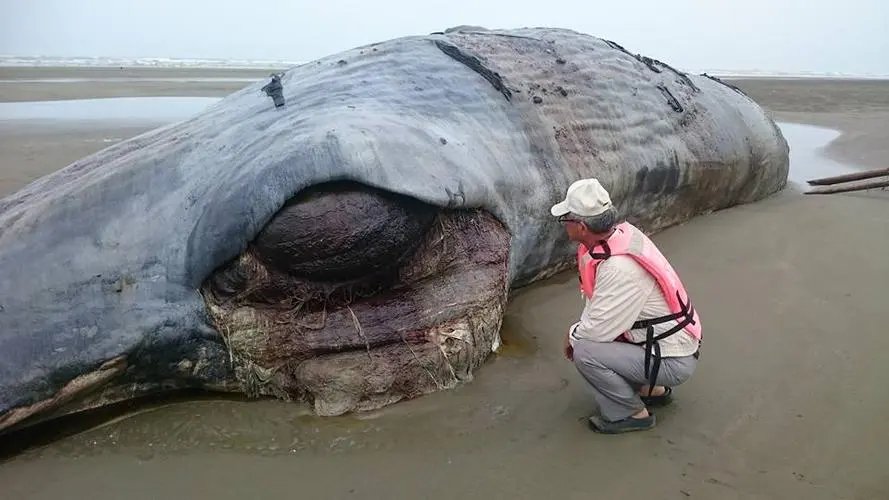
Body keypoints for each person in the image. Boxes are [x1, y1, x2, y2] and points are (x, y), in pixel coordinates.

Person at [550, 178, 702, 434]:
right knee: (590, 339)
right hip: (670, 346)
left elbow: (596, 331)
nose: (564, 223)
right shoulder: (622, 237)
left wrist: (572, 335)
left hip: (673, 360)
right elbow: (602, 308)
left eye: (566, 218)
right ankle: (651, 390)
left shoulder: (618, 267)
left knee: (585, 351)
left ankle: (630, 414)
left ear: (582, 227)